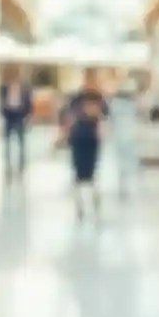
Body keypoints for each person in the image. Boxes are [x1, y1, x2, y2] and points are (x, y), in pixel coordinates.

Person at [59, 70, 108, 221]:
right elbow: (66, 115)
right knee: (78, 171)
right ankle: (79, 204)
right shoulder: (76, 98)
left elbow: (105, 116)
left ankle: (94, 200)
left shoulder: (99, 98)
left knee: (91, 171)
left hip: (92, 138)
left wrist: (98, 118)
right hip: (78, 136)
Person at [109, 79, 141, 198]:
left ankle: (123, 184)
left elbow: (112, 120)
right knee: (127, 162)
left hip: (120, 136)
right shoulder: (129, 105)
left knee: (122, 162)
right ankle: (125, 184)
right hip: (128, 135)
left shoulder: (115, 104)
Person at [0, 66, 33, 178]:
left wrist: (28, 115)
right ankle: (8, 165)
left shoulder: (24, 88)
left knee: (21, 143)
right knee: (8, 143)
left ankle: (21, 165)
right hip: (9, 116)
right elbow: (1, 101)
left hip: (19, 116)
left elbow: (29, 102)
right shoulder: (4, 87)